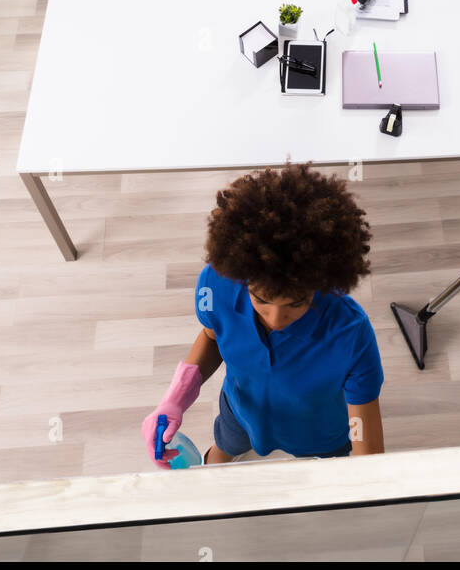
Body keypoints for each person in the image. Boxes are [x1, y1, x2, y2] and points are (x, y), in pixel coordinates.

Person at [142, 164, 385, 466]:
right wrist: (174, 400)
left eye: (295, 303)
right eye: (260, 300)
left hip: (319, 433)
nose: (275, 319)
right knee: (221, 451)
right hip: (241, 411)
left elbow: (368, 449)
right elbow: (212, 337)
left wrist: (366, 481)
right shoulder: (216, 284)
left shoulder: (351, 333)